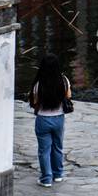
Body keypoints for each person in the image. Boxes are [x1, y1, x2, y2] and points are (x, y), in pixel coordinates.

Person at [29, 54, 71, 187]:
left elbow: (35, 101)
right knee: (57, 147)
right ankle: (58, 174)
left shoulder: (38, 84)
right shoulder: (64, 81)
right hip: (59, 118)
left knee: (44, 150)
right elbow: (68, 95)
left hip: (43, 119)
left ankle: (46, 178)